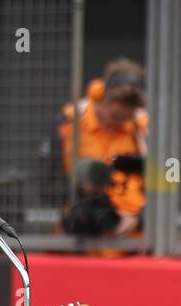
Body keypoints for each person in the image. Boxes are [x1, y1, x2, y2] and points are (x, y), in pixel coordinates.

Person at [57, 58, 147, 240]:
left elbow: (164, 184)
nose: (119, 122)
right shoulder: (71, 123)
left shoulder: (142, 129)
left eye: (126, 117)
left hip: (133, 240)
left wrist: (139, 219)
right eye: (115, 116)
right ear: (102, 98)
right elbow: (50, 181)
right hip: (83, 238)